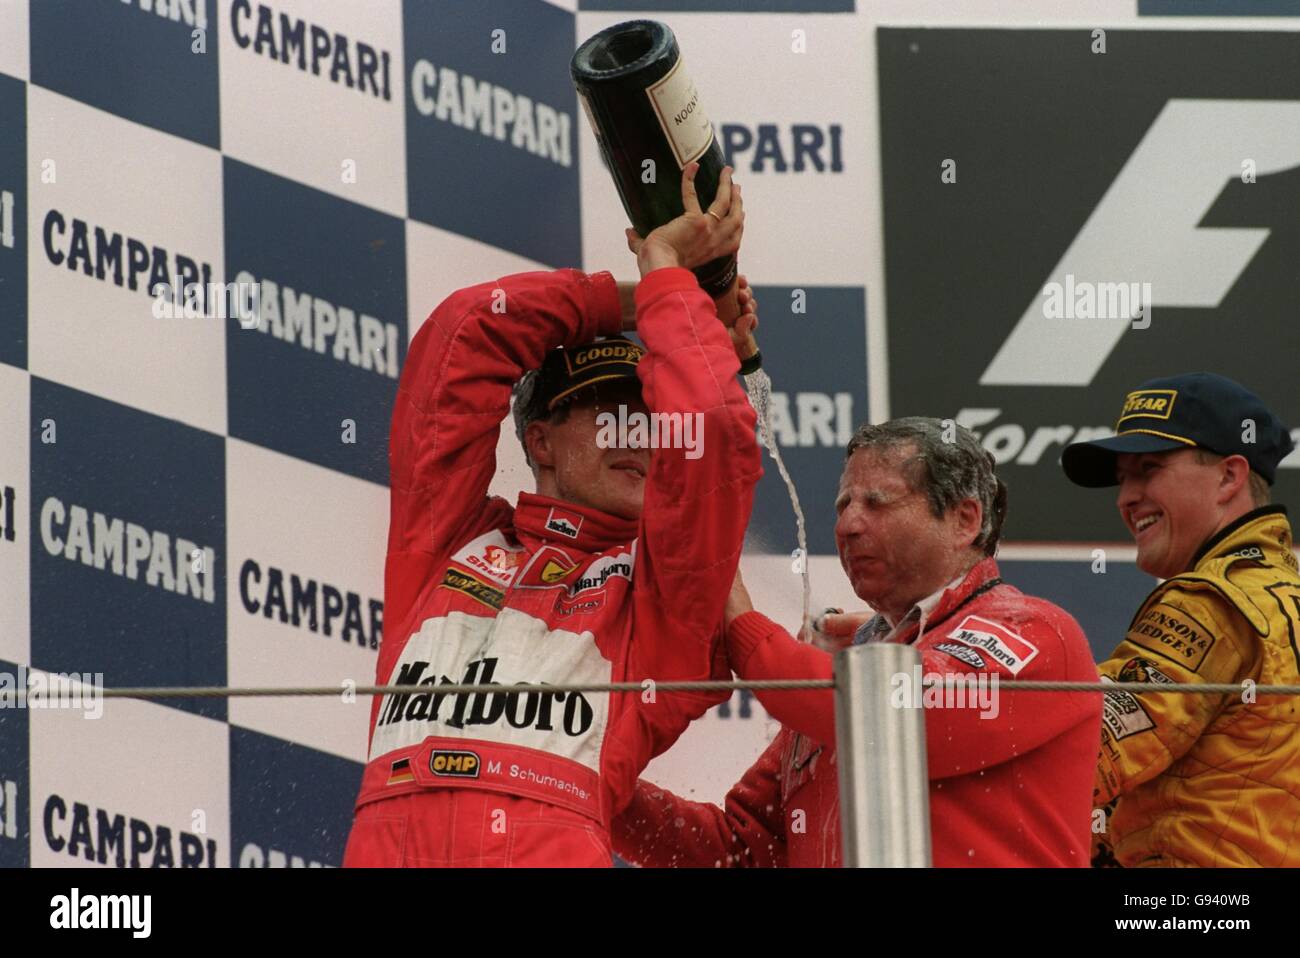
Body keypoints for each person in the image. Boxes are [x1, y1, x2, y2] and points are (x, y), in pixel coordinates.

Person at [343, 164, 762, 867]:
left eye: (650, 416)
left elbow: (714, 430)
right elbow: (465, 333)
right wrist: (630, 300)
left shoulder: (670, 591)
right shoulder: (449, 539)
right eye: (609, 414)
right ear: (540, 437)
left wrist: (672, 281)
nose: (638, 435)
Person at [614, 418, 1100, 867]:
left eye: (877, 502)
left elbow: (898, 722)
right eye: (843, 505)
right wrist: (592, 785)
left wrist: (741, 623)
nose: (847, 526)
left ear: (964, 520)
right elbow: (740, 849)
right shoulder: (844, 683)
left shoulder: (1034, 631)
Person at [1060, 372, 1300, 867]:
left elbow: (1082, 753)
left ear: (1229, 477)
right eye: (1124, 477)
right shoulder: (1282, 594)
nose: (1126, 497)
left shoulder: (1210, 602)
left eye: (1149, 469)